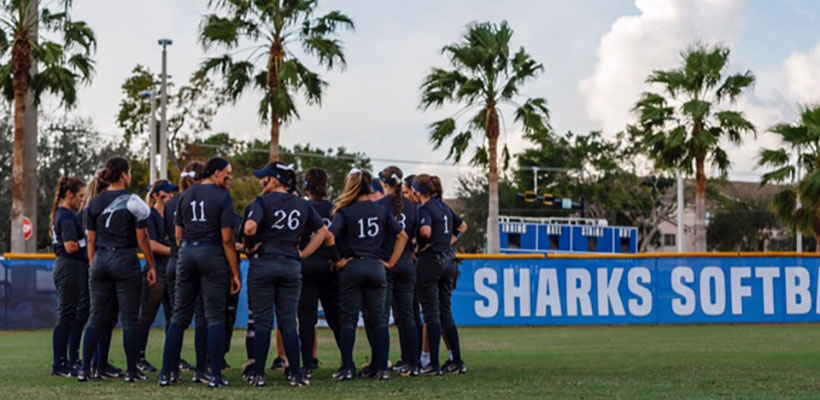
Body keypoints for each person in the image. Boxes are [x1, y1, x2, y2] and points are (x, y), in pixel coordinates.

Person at [243, 162, 329, 387]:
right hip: (291, 264)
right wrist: (303, 253)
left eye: (265, 178)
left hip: (265, 263)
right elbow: (323, 232)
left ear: (274, 180)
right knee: (289, 322)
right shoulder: (302, 204)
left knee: (263, 322)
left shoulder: (262, 201)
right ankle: (296, 374)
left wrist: (250, 247)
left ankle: (259, 374)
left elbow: (249, 228)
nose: (262, 182)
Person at [159, 157, 242, 388]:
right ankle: (214, 374)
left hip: (186, 253)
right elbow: (227, 239)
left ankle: (166, 373)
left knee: (179, 317)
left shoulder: (185, 195)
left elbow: (178, 235)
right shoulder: (222, 197)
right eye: (227, 172)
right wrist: (235, 272)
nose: (230, 176)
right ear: (215, 172)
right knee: (214, 316)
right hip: (211, 253)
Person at [79, 156, 158, 383]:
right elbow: (142, 238)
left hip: (101, 259)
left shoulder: (93, 202)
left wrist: (94, 265)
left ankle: (85, 370)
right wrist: (151, 265)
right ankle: (132, 371)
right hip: (124, 258)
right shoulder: (133, 201)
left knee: (96, 317)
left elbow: (91, 240)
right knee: (129, 319)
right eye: (130, 172)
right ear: (124, 174)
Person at [326, 169, 408, 381]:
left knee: (349, 321)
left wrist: (337, 260)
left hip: (353, 267)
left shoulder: (345, 211)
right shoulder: (380, 209)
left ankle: (347, 368)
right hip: (376, 268)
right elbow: (402, 236)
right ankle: (382, 367)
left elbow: (329, 236)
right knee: (379, 320)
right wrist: (390, 263)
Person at [412, 174, 467, 375]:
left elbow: (425, 231)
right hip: (448, 260)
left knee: (431, 313)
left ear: (418, 191)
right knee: (446, 312)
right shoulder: (444, 207)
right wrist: (448, 241)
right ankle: (457, 360)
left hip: (431, 262)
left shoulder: (425, 208)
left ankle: (433, 364)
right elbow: (462, 227)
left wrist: (419, 242)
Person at [297, 168, 342, 380]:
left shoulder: (303, 207)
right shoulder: (335, 208)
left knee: (306, 318)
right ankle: (347, 363)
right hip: (330, 265)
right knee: (336, 317)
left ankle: (307, 365)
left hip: (306, 265)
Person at [376, 167, 420, 377]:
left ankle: (382, 364)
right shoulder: (413, 207)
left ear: (384, 183)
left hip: (387, 262)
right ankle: (413, 363)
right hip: (407, 263)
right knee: (407, 316)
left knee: (382, 316)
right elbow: (419, 235)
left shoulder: (380, 206)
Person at [163, 162, 203, 382]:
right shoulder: (203, 199)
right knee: (202, 318)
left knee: (175, 319)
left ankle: (170, 370)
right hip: (194, 261)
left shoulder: (171, 204)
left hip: (174, 261)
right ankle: (202, 370)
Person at [136, 180, 178, 373]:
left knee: (174, 317)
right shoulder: (149, 216)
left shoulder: (173, 215)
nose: (171, 196)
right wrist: (174, 251)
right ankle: (138, 356)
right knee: (146, 316)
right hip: (156, 270)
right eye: (167, 193)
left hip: (171, 271)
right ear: (156, 195)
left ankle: (173, 358)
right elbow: (151, 244)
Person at [50, 177, 88, 377]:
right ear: (69, 195)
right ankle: (59, 364)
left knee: (70, 315)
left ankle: (67, 360)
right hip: (69, 267)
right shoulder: (66, 217)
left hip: (70, 267)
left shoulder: (64, 215)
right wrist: (88, 242)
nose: (82, 200)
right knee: (66, 315)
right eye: (80, 196)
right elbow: (70, 246)